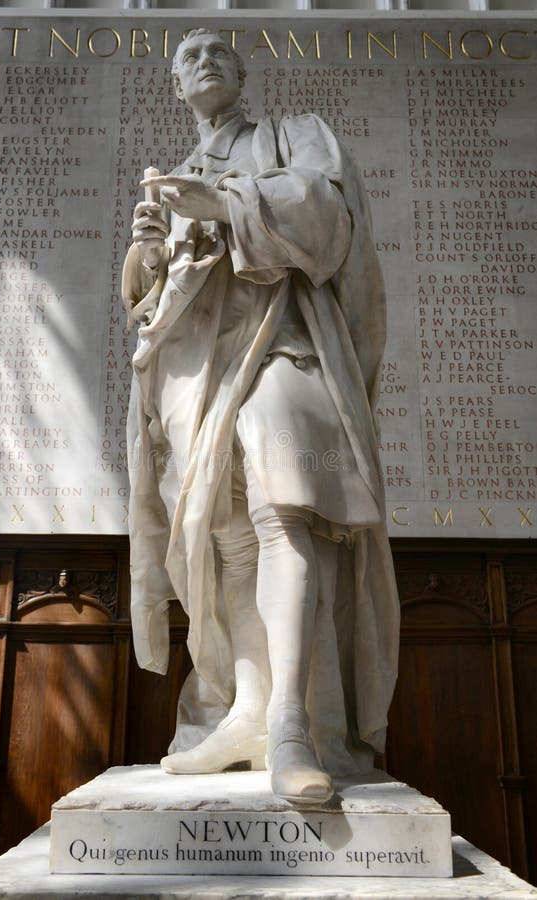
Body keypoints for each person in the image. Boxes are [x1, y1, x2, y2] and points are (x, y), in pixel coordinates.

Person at [122, 28, 399, 803]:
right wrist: (147, 251)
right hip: (191, 373)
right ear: (175, 87)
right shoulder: (170, 176)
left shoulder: (292, 136)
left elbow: (325, 220)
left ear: (242, 75)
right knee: (226, 536)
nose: (202, 61)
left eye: (217, 52)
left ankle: (291, 727)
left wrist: (223, 203)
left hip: (280, 346)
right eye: (187, 57)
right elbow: (145, 303)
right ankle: (245, 710)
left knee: (285, 513)